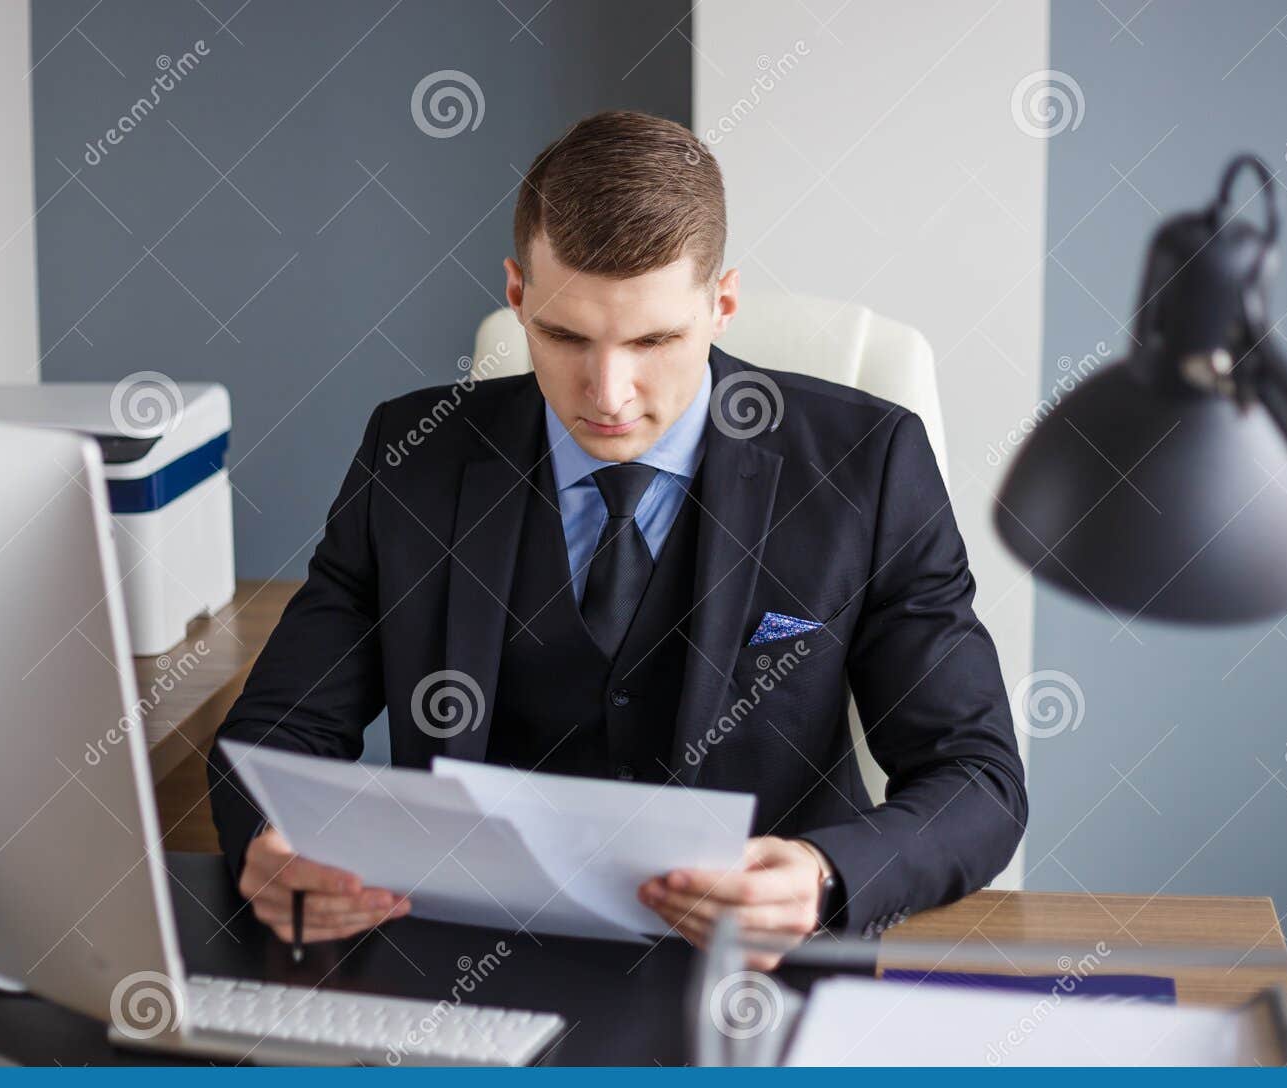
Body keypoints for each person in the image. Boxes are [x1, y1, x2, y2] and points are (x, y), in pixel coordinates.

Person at [206, 110, 1025, 966]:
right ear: (517, 295)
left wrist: (826, 874)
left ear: (722, 304)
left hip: (755, 976)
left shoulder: (868, 465)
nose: (609, 391)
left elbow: (978, 778)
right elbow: (273, 734)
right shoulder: (412, 458)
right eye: (564, 336)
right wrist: (267, 841)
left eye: (654, 340)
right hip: (464, 967)